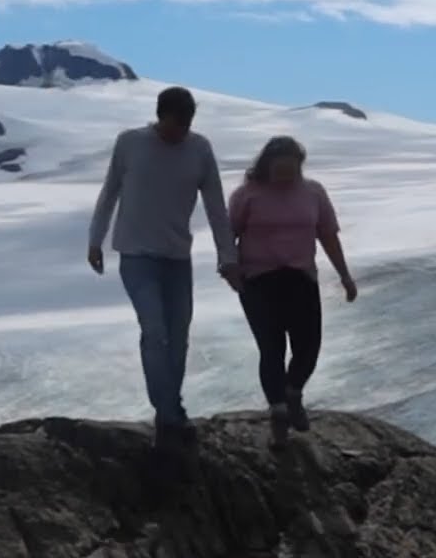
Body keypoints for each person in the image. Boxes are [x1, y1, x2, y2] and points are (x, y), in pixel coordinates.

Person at [87, 86, 241, 450]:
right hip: (137, 256)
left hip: (177, 258)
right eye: (176, 123)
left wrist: (229, 258)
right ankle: (171, 414)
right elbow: (109, 192)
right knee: (154, 330)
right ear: (161, 116)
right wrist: (96, 239)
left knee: (179, 337)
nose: (181, 131)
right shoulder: (130, 144)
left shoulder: (199, 149)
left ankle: (168, 410)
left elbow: (217, 207)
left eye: (188, 123)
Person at [227, 135, 356, 448]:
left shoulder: (313, 192)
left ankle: (293, 391)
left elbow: (327, 235)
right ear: (266, 166)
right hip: (259, 280)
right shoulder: (247, 194)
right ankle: (279, 414)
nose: (285, 177)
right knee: (271, 349)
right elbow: (227, 235)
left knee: (308, 347)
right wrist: (229, 269)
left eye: (291, 171)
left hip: (301, 278)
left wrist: (345, 275)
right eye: (279, 170)